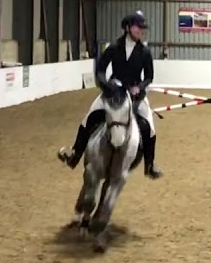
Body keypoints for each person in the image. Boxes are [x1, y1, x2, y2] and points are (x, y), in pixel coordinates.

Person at [57, 11, 163, 179]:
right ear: (128, 28)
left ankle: (149, 165)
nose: (141, 31)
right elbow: (100, 70)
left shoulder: (145, 52)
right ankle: (74, 155)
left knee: (149, 127)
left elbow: (149, 76)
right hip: (114, 91)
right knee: (90, 116)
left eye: (142, 28)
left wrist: (139, 87)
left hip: (136, 95)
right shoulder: (114, 48)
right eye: (138, 27)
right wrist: (106, 85)